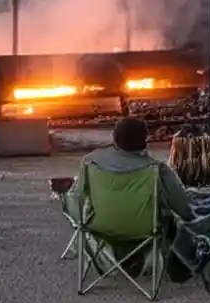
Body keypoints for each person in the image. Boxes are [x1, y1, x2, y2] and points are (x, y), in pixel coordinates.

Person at [65, 118, 194, 280]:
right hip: (145, 230)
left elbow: (77, 199)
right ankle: (177, 269)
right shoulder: (157, 169)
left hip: (100, 228)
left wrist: (81, 222)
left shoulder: (90, 162)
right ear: (145, 141)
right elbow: (183, 207)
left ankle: (109, 260)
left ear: (114, 138)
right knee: (171, 219)